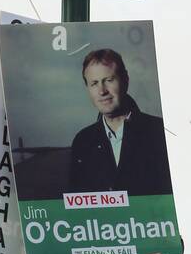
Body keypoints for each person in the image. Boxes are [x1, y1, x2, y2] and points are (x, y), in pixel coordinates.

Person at [69, 49, 172, 196]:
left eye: (109, 80)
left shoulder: (159, 132)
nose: (102, 91)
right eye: (94, 83)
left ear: (125, 80)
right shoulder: (82, 141)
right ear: (88, 88)